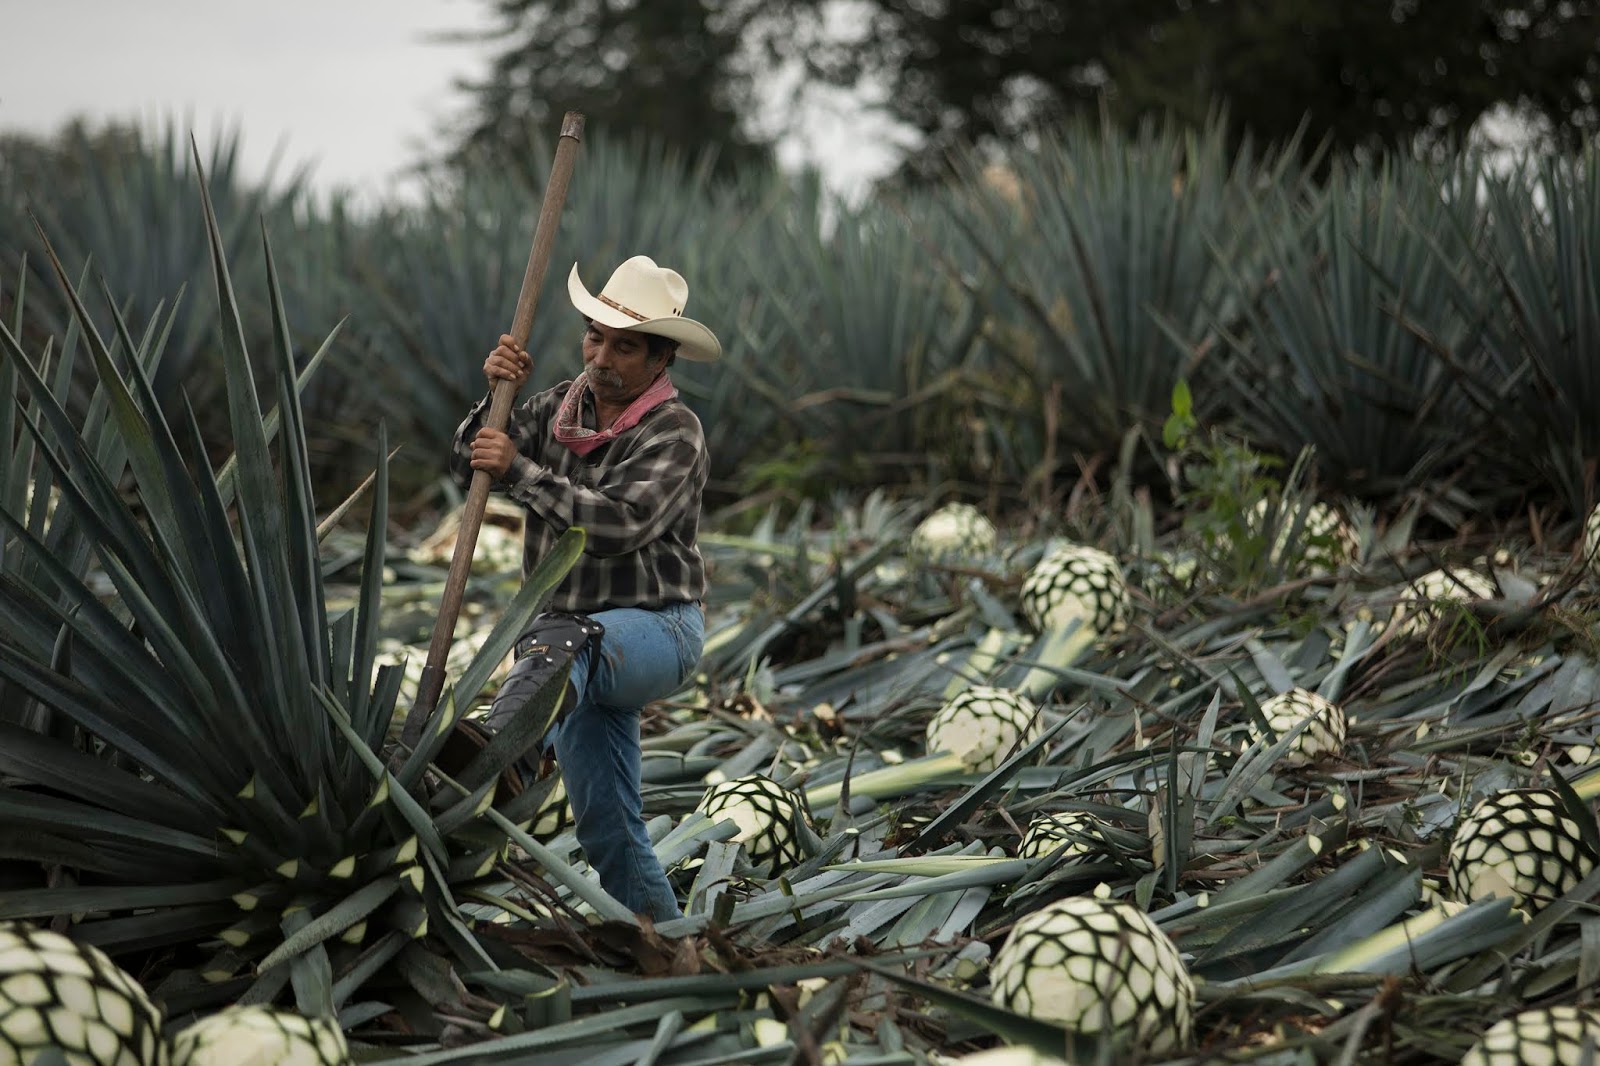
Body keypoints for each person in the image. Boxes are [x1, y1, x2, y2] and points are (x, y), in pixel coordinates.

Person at [445, 254, 720, 923]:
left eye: (625, 346)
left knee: (565, 641)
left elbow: (620, 525)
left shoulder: (674, 430)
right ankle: (666, 943)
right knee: (607, 827)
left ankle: (495, 758)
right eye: (595, 336)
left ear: (662, 360)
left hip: (656, 631)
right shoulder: (550, 410)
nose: (602, 357)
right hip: (564, 652)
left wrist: (523, 474)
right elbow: (471, 458)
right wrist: (495, 396)